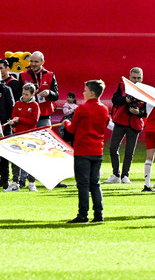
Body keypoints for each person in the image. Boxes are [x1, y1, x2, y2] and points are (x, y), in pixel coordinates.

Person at [63, 79, 108, 223]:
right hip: (97, 150)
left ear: (92, 93)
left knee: (83, 184)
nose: (83, 93)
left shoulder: (82, 108)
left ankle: (83, 214)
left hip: (83, 150)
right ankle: (98, 214)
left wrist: (66, 122)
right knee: (95, 183)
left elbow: (71, 129)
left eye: (85, 90)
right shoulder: (104, 109)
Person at [106, 67, 147, 185]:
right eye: (134, 78)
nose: (136, 80)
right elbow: (115, 100)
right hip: (120, 121)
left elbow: (147, 110)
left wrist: (138, 113)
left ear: (142, 78)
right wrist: (125, 100)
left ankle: (125, 175)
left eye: (138, 78)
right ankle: (116, 174)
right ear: (129, 77)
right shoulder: (122, 86)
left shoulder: (145, 91)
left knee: (129, 151)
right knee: (113, 148)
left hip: (135, 123)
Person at [6, 82, 41, 191]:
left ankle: (31, 183)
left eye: (27, 94)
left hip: (30, 136)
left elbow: (34, 121)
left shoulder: (35, 105)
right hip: (18, 136)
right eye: (23, 93)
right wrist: (13, 122)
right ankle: (15, 183)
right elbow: (14, 117)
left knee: (30, 160)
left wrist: (20, 119)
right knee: (16, 160)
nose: (24, 96)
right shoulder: (17, 104)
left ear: (32, 95)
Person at [0, 67, 17, 189]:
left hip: (4, 125)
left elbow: (11, 106)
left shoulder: (6, 89)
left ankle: (4, 179)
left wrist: (10, 122)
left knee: (3, 154)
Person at [21, 52, 59, 129]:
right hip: (28, 116)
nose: (33, 64)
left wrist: (49, 92)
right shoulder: (23, 75)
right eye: (31, 61)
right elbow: (18, 95)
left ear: (42, 62)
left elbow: (56, 96)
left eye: (36, 62)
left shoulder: (50, 75)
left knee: (45, 140)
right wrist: (28, 94)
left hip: (44, 115)